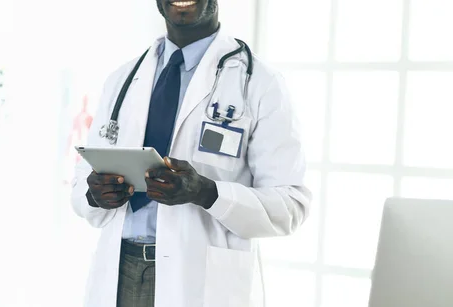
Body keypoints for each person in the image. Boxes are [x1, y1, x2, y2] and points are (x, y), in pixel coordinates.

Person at [70, 0, 311, 306]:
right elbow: (81, 183)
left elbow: (291, 206)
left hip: (201, 282)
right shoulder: (122, 80)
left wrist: (207, 193)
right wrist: (95, 194)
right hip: (120, 273)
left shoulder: (260, 84)